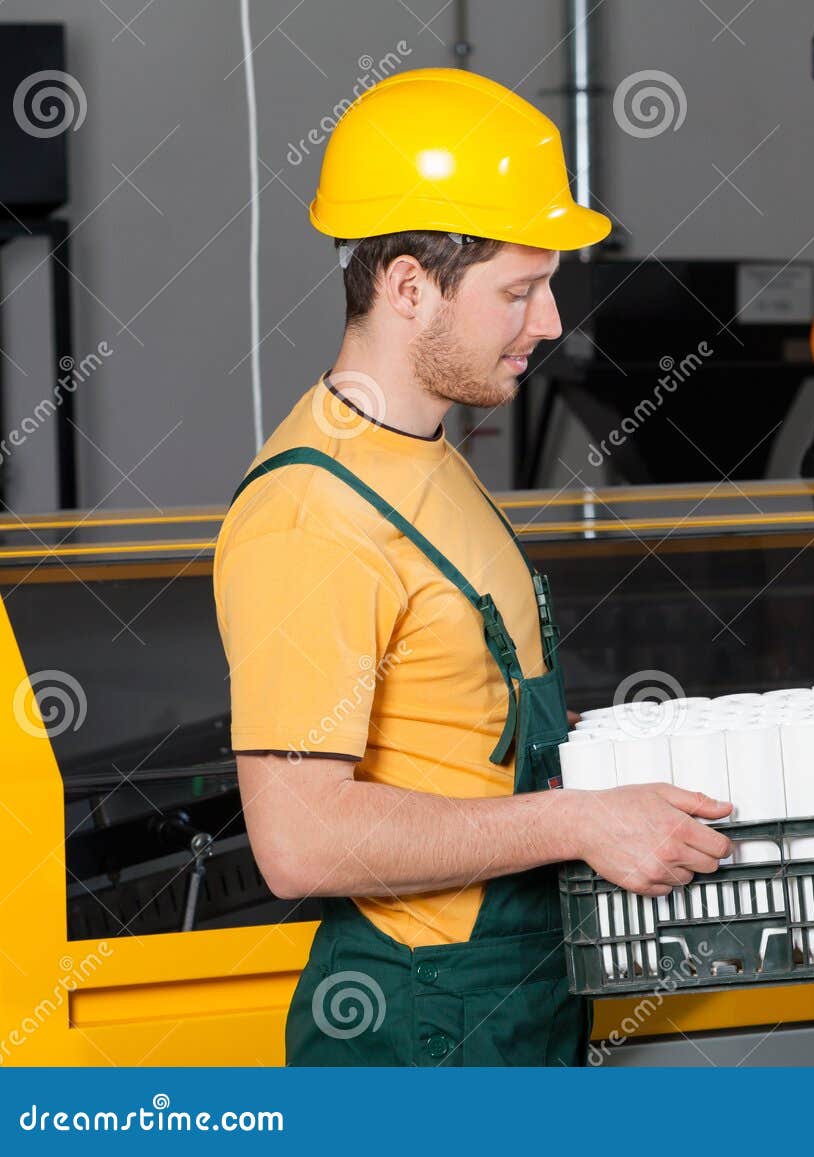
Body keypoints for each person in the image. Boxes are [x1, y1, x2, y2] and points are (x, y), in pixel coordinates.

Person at [214, 68, 732, 1067]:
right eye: (519, 291)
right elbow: (301, 840)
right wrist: (580, 819)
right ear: (408, 286)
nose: (547, 323)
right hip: (421, 1021)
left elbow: (454, 728)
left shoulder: (429, 461)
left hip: (518, 997)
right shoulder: (311, 512)